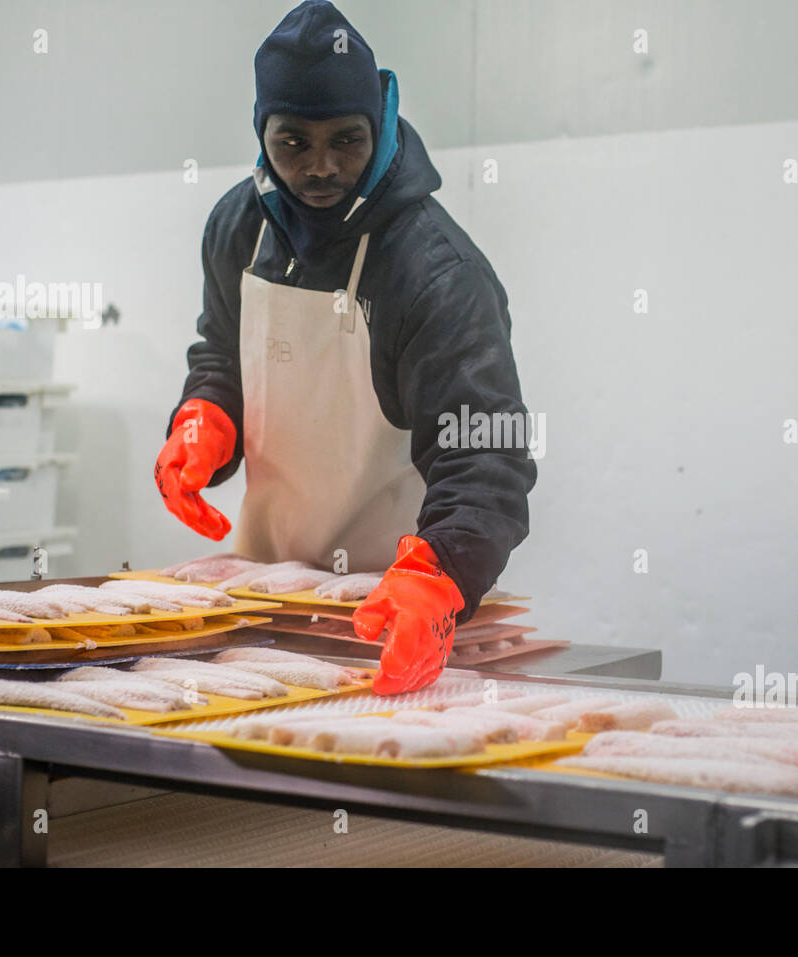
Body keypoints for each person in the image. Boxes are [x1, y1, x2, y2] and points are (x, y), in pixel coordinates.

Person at [154, 0, 536, 694]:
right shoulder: (239, 229)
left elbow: (487, 454)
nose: (322, 167)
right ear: (261, 132)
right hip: (267, 608)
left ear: (381, 125)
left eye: (347, 140)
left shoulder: (435, 272)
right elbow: (221, 354)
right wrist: (203, 419)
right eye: (293, 142)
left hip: (395, 613)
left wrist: (440, 575)